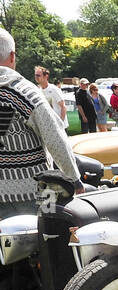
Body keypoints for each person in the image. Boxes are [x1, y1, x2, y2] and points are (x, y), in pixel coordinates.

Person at [0, 29, 81, 216]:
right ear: (12, 56)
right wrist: (74, 179)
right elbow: (55, 139)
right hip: (37, 190)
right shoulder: (24, 92)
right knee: (47, 232)